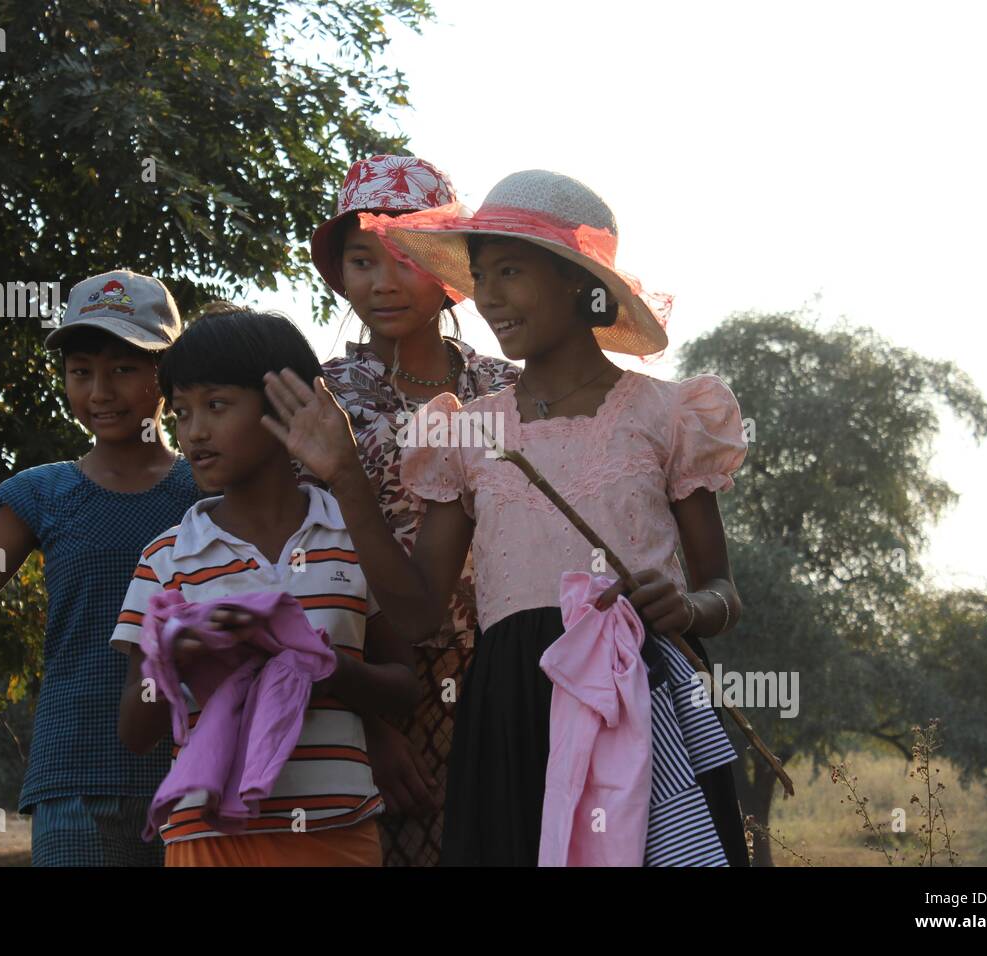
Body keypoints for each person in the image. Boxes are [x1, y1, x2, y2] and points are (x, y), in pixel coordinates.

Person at [261, 169, 751, 866]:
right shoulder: (464, 430)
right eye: (482, 275)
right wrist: (345, 477)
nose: (488, 296)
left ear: (583, 288)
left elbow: (723, 593)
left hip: (639, 700)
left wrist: (686, 609)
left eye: (511, 272)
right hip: (507, 709)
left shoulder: (669, 415)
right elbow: (417, 612)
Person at [0, 270, 202, 866]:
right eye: (80, 371)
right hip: (76, 784)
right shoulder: (44, 496)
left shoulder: (208, 489)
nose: (100, 391)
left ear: (166, 375)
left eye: (124, 368)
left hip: (200, 774)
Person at [112, 304, 420, 866]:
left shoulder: (355, 538)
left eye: (217, 405)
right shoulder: (166, 558)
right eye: (181, 412)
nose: (194, 430)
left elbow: (405, 687)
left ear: (284, 407)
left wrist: (328, 670)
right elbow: (135, 731)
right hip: (208, 843)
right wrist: (174, 659)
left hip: (338, 833)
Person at [308, 154, 518, 865]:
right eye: (362, 261)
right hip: (368, 677)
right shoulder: (321, 401)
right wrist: (368, 721)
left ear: (448, 269)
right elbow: (296, 561)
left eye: (404, 257)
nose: (382, 282)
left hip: (513, 673)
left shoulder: (508, 389)